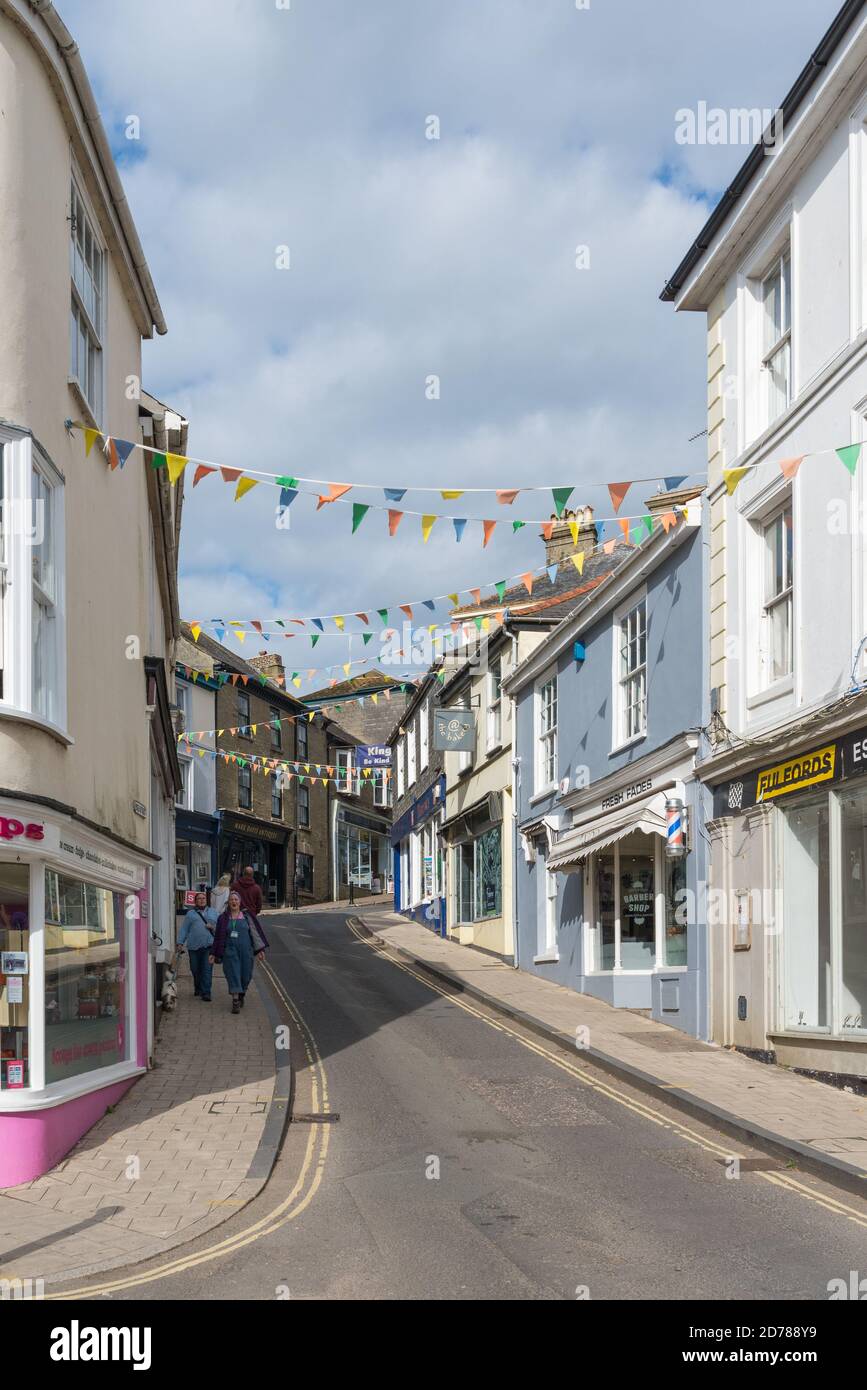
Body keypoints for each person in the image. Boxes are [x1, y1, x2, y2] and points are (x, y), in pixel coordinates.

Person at [210, 889, 268, 1014]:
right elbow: (218, 937)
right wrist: (213, 953)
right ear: (228, 903)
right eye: (231, 900)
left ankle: (241, 994)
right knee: (233, 974)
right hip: (230, 951)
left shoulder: (247, 916)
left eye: (236, 899)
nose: (234, 902)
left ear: (240, 902)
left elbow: (255, 934)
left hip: (246, 951)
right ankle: (235, 1000)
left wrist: (260, 950)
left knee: (246, 976)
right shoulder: (223, 918)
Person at [177, 891, 218, 1001]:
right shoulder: (190, 914)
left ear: (206, 900)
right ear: (195, 901)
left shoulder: (214, 912)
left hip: (209, 946)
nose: (202, 900)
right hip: (193, 946)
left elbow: (220, 929)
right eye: (199, 898)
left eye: (203, 898)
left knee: (207, 970)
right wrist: (180, 942)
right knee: (195, 969)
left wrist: (213, 928)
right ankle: (198, 986)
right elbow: (184, 929)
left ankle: (206, 992)